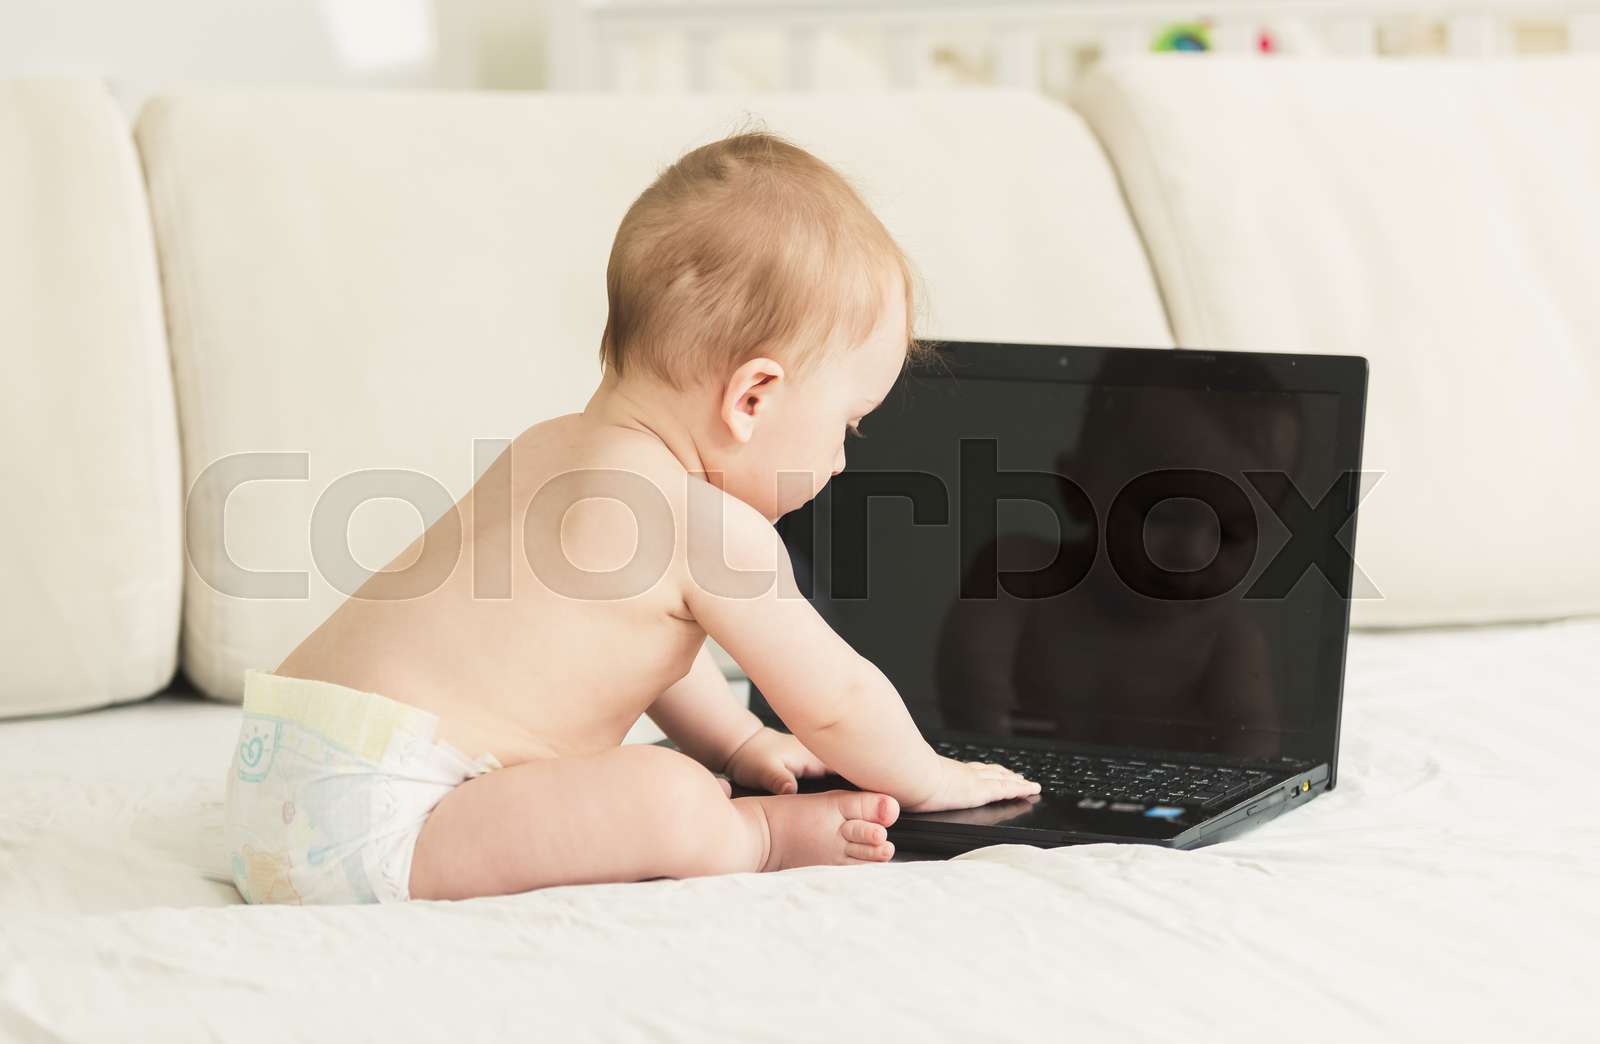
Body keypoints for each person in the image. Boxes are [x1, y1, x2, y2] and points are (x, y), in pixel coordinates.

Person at [223, 131, 1039, 906]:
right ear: (751, 398)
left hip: (280, 775)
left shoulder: (550, 448)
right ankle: (754, 838)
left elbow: (649, 651)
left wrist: (739, 744)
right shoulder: (706, 528)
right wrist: (934, 778)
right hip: (390, 823)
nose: (843, 459)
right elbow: (836, 702)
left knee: (672, 764)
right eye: (849, 423)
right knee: (667, 792)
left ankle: (726, 793)